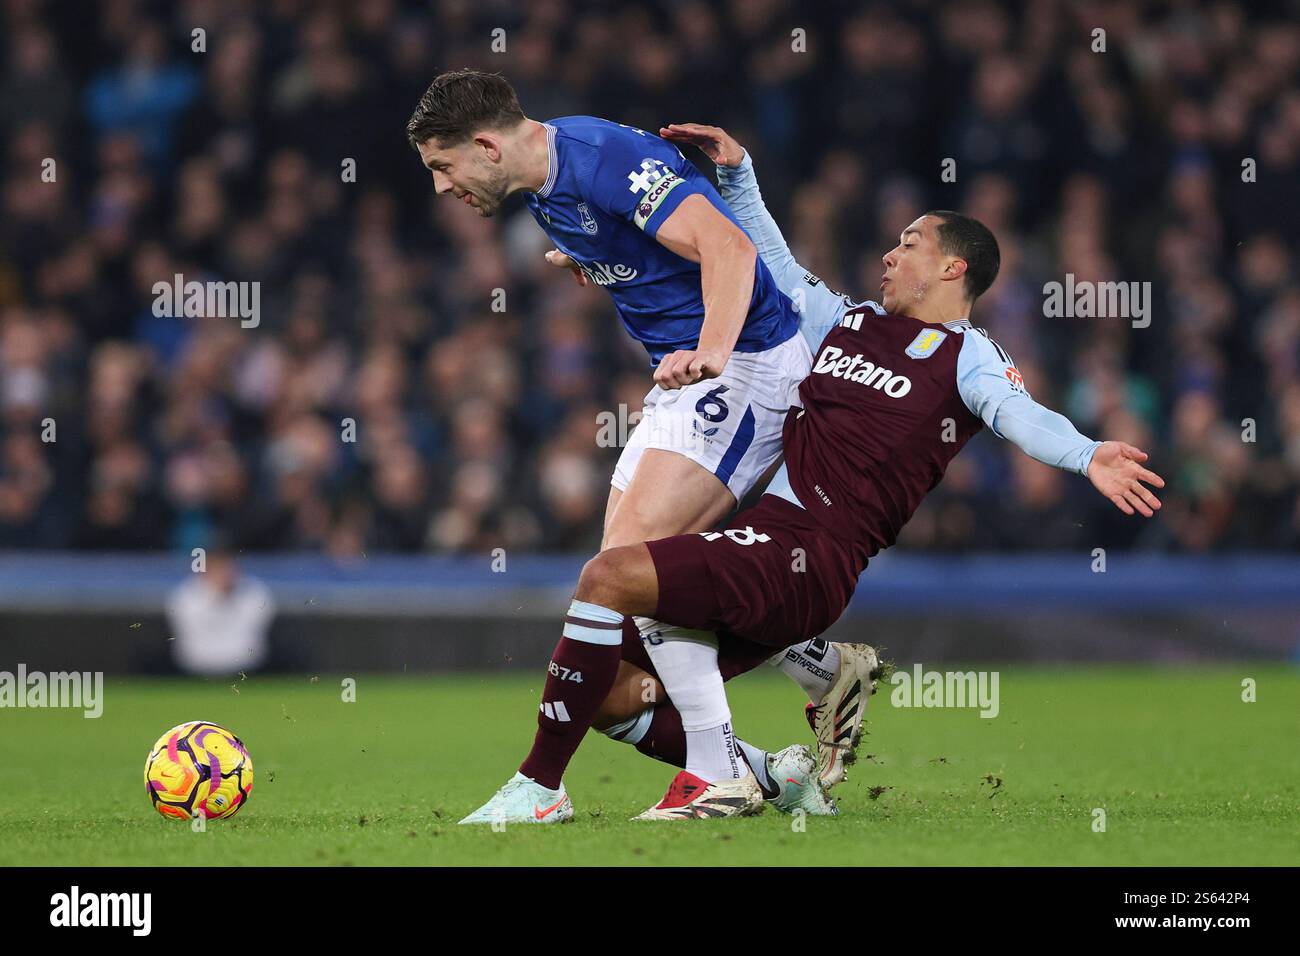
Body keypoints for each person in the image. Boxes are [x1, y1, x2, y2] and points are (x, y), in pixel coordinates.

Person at [461, 123, 1165, 822]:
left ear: (954, 268)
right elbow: (777, 267)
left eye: (909, 244)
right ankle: (775, 769)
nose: (890, 255)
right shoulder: (849, 323)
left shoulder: (967, 356)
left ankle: (556, 787)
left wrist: (1088, 453)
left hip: (810, 555)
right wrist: (739, 177)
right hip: (770, 547)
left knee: (609, 576)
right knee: (611, 694)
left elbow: (1020, 414)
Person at [407, 73, 874, 807]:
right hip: (681, 387)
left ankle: (558, 788)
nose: (440, 188)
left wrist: (716, 348)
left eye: (442, 166)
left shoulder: (603, 157)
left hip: (743, 364)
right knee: (617, 677)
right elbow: (642, 249)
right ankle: (777, 760)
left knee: (627, 571)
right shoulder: (545, 192)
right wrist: (593, 262)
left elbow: (729, 249)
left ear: (487, 145)